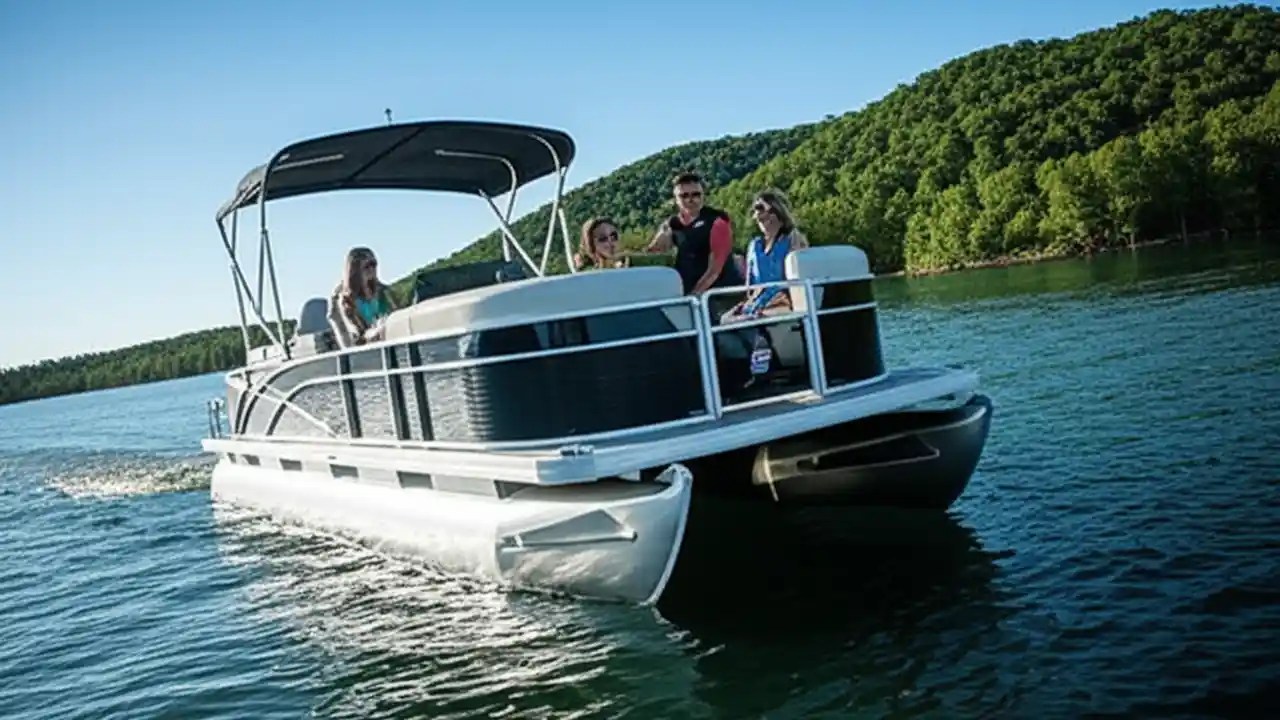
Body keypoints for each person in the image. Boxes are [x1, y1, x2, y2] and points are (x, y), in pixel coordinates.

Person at [647, 171, 743, 295]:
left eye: (696, 194)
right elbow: (653, 254)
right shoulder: (672, 224)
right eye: (684, 196)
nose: (690, 200)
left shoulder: (716, 221)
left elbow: (715, 270)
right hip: (687, 291)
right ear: (676, 199)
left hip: (720, 294)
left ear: (703, 195)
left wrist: (693, 296)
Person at [721, 188, 809, 323]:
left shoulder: (793, 239)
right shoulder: (755, 245)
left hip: (783, 300)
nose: (757, 215)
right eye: (756, 210)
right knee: (725, 320)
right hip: (758, 302)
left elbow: (799, 278)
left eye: (761, 209)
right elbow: (750, 287)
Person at [328, 246, 396, 347]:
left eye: (374, 264)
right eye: (367, 266)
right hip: (367, 350)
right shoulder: (346, 300)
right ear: (354, 269)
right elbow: (356, 337)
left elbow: (396, 314)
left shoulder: (383, 292)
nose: (372, 269)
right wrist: (376, 331)